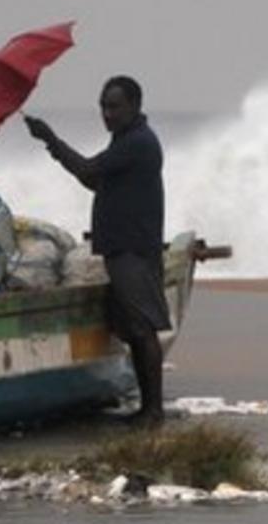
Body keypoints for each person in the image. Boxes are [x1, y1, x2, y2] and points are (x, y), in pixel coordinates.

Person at [24, 75, 170, 426]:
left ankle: (153, 410)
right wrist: (53, 147)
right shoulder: (125, 141)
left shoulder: (138, 142)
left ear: (134, 106)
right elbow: (93, 180)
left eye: (114, 106)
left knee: (143, 329)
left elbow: (89, 169)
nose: (107, 114)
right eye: (103, 107)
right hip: (120, 248)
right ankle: (147, 408)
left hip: (133, 249)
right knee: (133, 330)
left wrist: (51, 140)